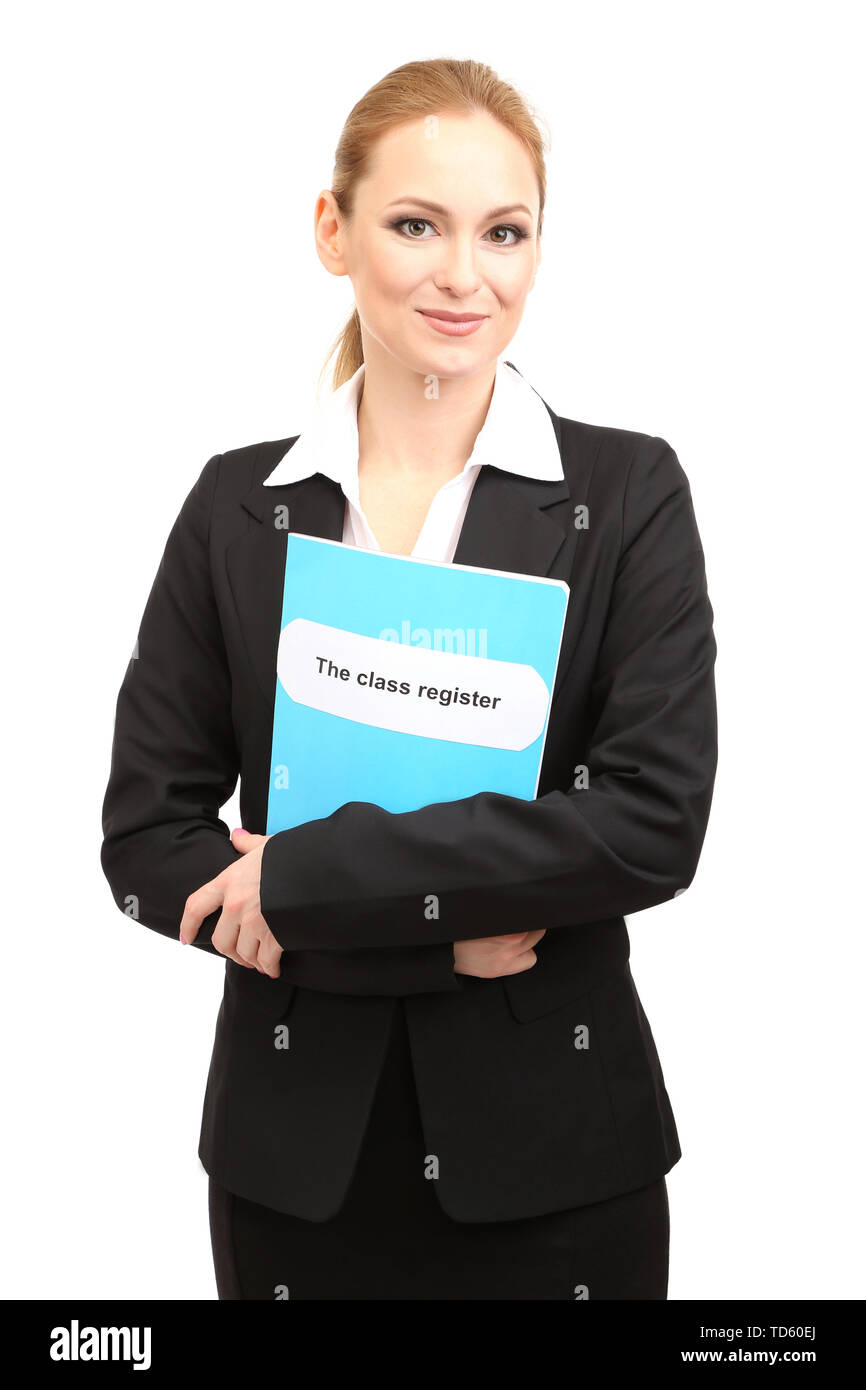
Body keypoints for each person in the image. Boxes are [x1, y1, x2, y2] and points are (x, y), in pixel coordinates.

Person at [100, 57, 717, 1300]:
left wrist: (301, 881)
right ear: (332, 232)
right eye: (415, 225)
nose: (462, 275)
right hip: (294, 1171)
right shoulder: (237, 506)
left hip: (556, 1164)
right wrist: (427, 946)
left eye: (503, 232)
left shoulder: (624, 493)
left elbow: (647, 826)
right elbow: (147, 841)